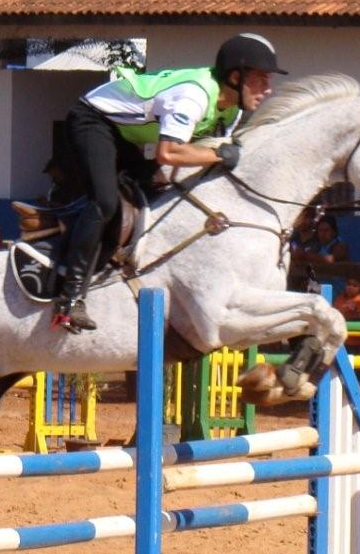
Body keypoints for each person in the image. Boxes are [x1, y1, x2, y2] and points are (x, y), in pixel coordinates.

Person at [52, 32, 286, 332]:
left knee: (157, 191)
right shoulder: (194, 96)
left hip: (125, 133)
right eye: (262, 80)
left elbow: (202, 154)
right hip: (93, 119)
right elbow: (168, 153)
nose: (268, 89)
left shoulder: (232, 109)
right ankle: (68, 298)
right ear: (236, 76)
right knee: (106, 201)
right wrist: (217, 156)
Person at [333, 277, 360, 354]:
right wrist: (343, 309)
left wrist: (355, 311)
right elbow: (333, 313)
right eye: (348, 284)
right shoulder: (339, 298)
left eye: (355, 285)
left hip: (356, 342)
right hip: (341, 340)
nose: (351, 287)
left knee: (355, 363)